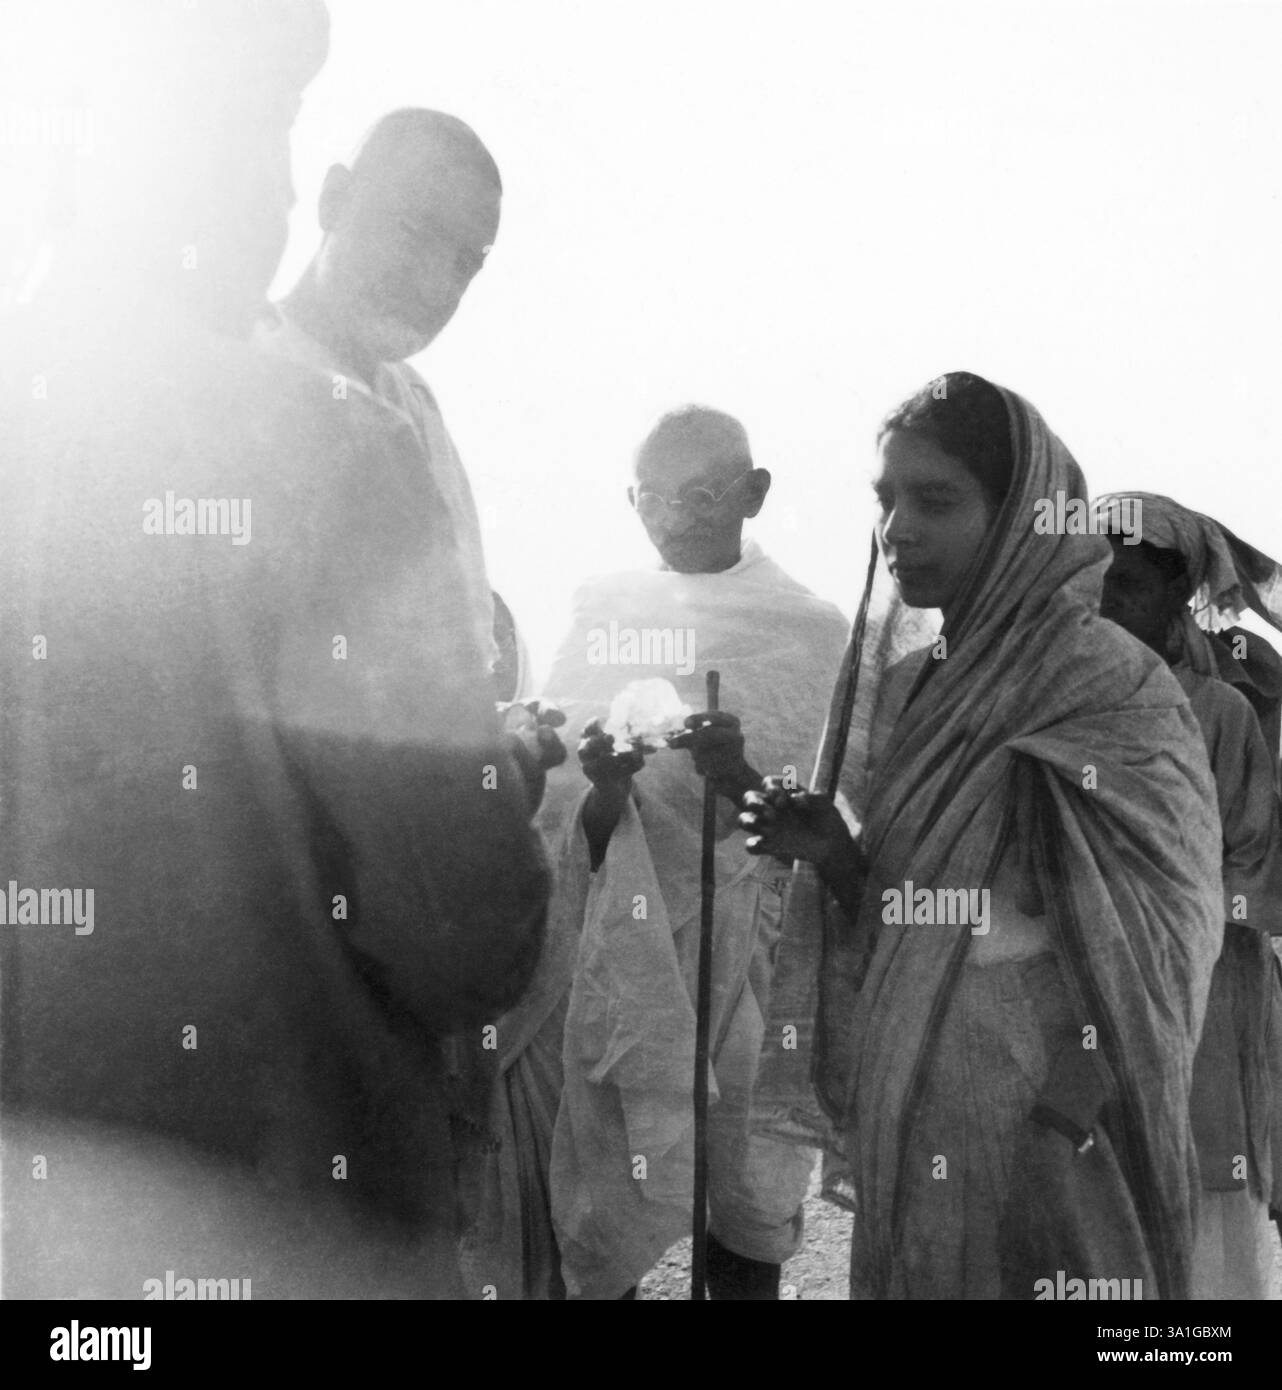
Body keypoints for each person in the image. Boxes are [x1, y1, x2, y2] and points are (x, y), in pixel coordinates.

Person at [0, 0, 548, 1299]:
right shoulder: (322, 447)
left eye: (467, 261)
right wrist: (504, 791)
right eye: (260, 133)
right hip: (290, 1185)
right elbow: (464, 921)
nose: (434, 278)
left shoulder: (401, 423)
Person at [741, 372, 1223, 1300]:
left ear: (1020, 517)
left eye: (935, 500)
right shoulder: (912, 682)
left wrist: (1067, 1112)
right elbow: (904, 906)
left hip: (1045, 1117)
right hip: (913, 1092)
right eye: (885, 499)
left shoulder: (1107, 684)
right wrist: (833, 853)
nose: (898, 530)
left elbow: (1167, 921)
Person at [463, 406, 849, 1299]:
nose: (673, 520)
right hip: (614, 956)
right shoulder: (606, 611)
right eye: (651, 500)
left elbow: (820, 826)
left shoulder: (808, 632)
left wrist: (737, 770)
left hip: (750, 954)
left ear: (754, 494)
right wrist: (602, 782)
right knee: (602, 1197)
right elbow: (563, 822)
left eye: (701, 496)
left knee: (746, 1210)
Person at [1095, 493, 1282, 1298]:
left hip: (1200, 1000)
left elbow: (1256, 875)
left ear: (1179, 593)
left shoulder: (1218, 713)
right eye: (1093, 582)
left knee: (1201, 1203)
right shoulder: (1059, 706)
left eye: (1129, 584)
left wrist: (1160, 938)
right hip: (1081, 989)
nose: (1105, 604)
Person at [256, 108, 502, 673]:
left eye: (466, 262)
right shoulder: (248, 382)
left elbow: (462, 639)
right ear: (334, 200)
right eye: (415, 231)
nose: (438, 282)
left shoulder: (412, 402)